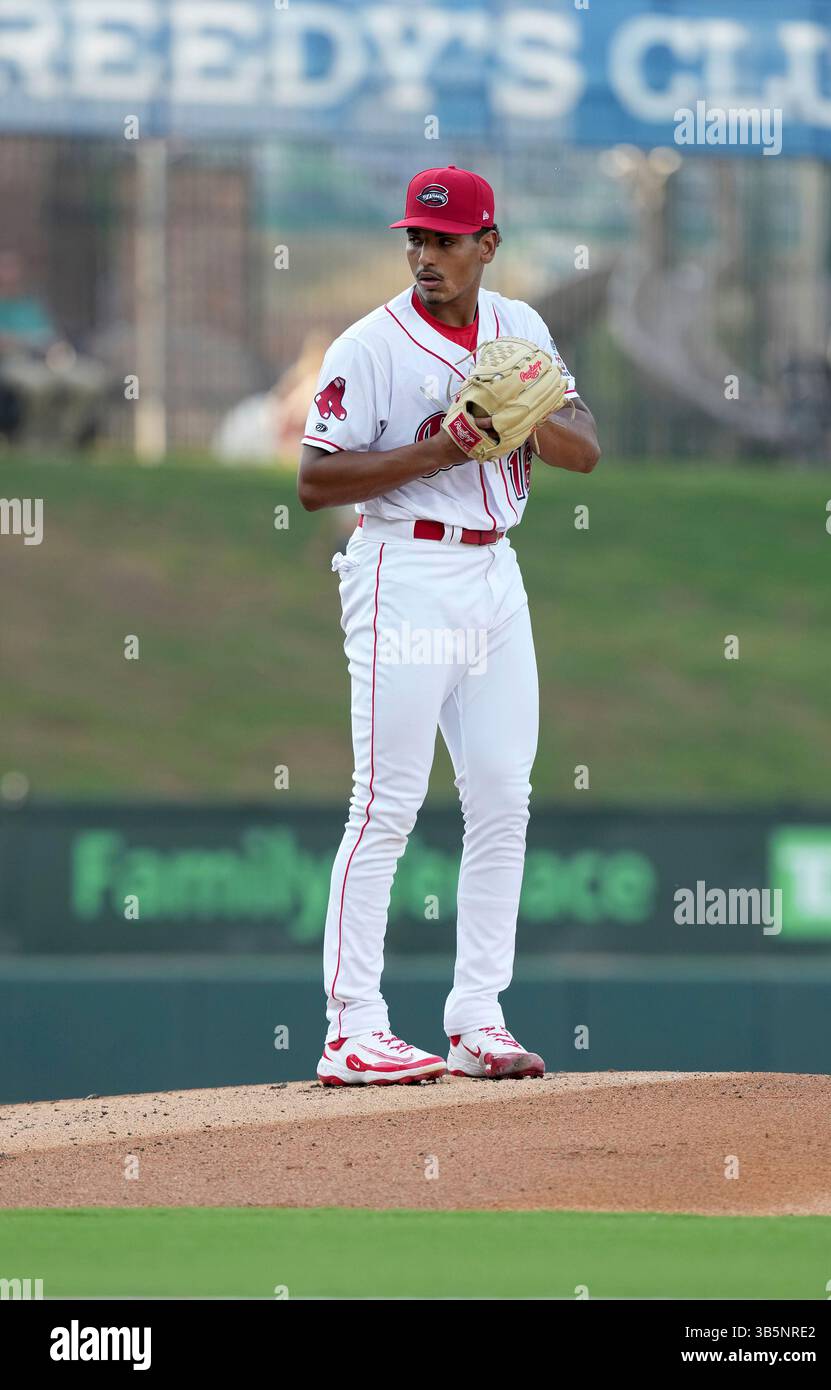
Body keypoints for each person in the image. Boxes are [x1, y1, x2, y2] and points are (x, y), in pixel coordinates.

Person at [298, 166, 600, 1085]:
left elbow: (585, 449)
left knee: (504, 796)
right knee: (386, 801)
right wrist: (444, 446)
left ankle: (477, 1015)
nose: (427, 256)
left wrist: (526, 417)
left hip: (494, 569)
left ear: (487, 245)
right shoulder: (370, 345)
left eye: (446, 239)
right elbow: (314, 482)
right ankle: (352, 1024)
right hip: (404, 565)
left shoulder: (523, 329)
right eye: (417, 240)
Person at [0, 250, 106, 447]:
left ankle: (66, 437)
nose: (9, 275)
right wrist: (21, 342)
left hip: (48, 360)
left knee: (90, 382)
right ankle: (32, 439)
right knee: (40, 386)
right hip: (15, 363)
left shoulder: (30, 305)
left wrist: (56, 347)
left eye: (13, 269)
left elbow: (50, 335)